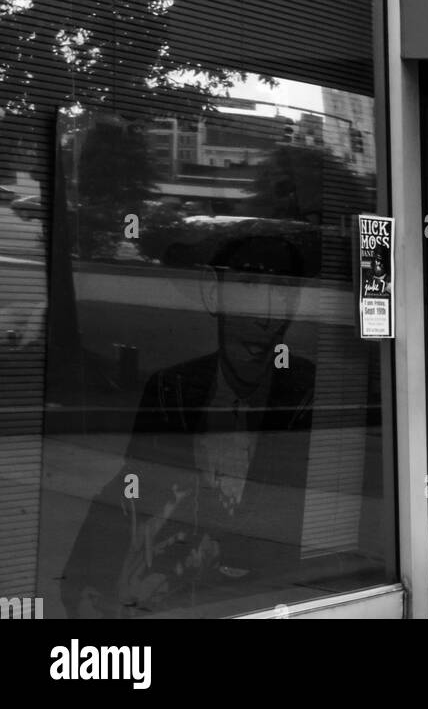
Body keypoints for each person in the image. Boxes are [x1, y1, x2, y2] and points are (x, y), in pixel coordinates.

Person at [61, 234, 315, 619]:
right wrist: (87, 580)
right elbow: (131, 485)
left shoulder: (307, 392)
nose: (266, 315)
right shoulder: (172, 389)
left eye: (283, 291)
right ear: (213, 293)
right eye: (248, 286)